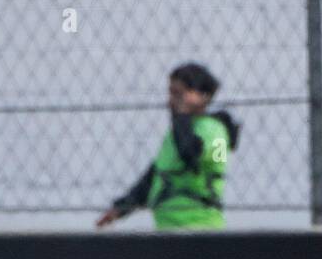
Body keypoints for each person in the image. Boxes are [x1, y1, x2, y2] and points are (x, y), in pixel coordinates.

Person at [96, 63, 239, 231]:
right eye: (171, 93)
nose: (171, 101)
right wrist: (121, 208)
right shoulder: (178, 133)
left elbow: (191, 155)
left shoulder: (215, 131)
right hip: (169, 227)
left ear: (201, 96)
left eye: (178, 94)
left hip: (199, 226)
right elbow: (156, 175)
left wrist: (182, 115)